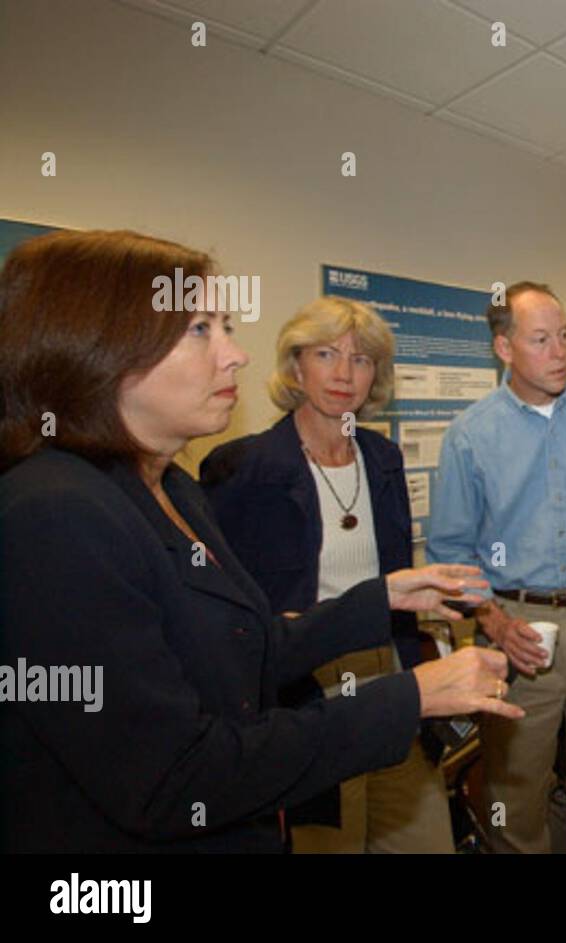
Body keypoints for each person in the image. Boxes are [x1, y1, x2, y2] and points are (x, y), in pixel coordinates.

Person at [0, 230, 523, 853]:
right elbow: (172, 776)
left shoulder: (173, 489)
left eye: (226, 328)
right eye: (202, 330)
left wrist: (382, 597)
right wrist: (409, 698)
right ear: (102, 347)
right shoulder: (54, 514)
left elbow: (251, 645)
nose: (235, 355)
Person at [201, 297, 455, 853]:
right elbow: (221, 607)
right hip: (305, 693)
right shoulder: (243, 468)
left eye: (361, 359)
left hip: (388, 676)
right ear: (296, 367)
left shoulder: (383, 458)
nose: (343, 373)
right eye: (325, 354)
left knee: (425, 837)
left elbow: (392, 576)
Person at [427, 281, 566, 853]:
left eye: (565, 336)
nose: (560, 352)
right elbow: (452, 551)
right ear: (504, 348)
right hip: (517, 626)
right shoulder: (470, 436)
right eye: (541, 339)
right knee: (516, 792)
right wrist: (495, 623)